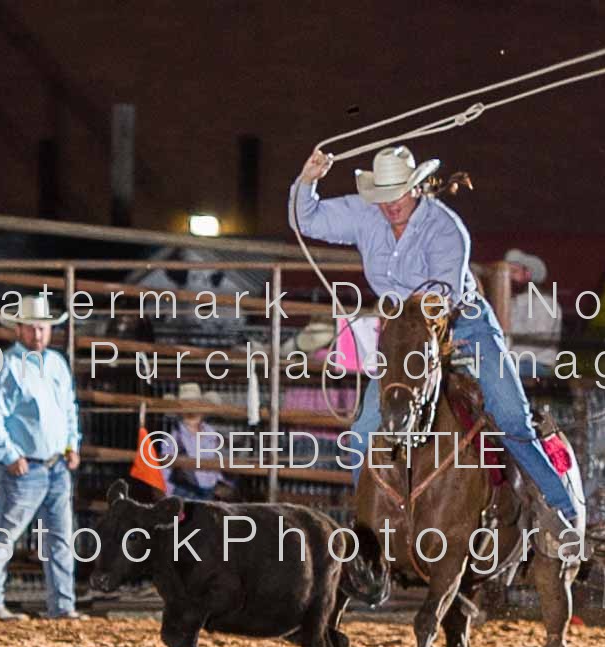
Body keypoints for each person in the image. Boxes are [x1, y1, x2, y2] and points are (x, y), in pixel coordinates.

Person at [289, 145, 582, 535]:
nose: (391, 204)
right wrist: (308, 180)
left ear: (417, 188)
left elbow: (439, 298)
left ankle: (560, 514)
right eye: (384, 195)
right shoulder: (365, 213)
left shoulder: (444, 228)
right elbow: (305, 218)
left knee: (511, 417)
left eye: (399, 193)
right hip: (404, 331)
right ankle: (369, 531)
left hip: (463, 324)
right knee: (362, 434)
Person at [0, 294, 86, 621]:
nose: (37, 334)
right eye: (31, 328)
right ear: (19, 330)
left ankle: (62, 605)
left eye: (42, 328)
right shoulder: (6, 365)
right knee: (7, 534)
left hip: (54, 464)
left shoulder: (56, 363)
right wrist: (9, 454)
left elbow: (68, 408)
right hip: (26, 467)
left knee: (58, 539)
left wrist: (71, 444)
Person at [158, 383, 231, 501]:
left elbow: (217, 462)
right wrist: (167, 497)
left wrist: (222, 482)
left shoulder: (212, 435)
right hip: (184, 495)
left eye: (196, 406)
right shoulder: (172, 440)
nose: (191, 412)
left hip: (210, 494)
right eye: (186, 407)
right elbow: (164, 474)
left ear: (203, 410)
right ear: (179, 412)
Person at [503, 248, 562, 376]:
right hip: (516, 360)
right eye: (506, 272)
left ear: (528, 274)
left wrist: (506, 357)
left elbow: (537, 340)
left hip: (537, 363)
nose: (509, 276)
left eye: (514, 271)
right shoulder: (512, 302)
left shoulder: (543, 302)